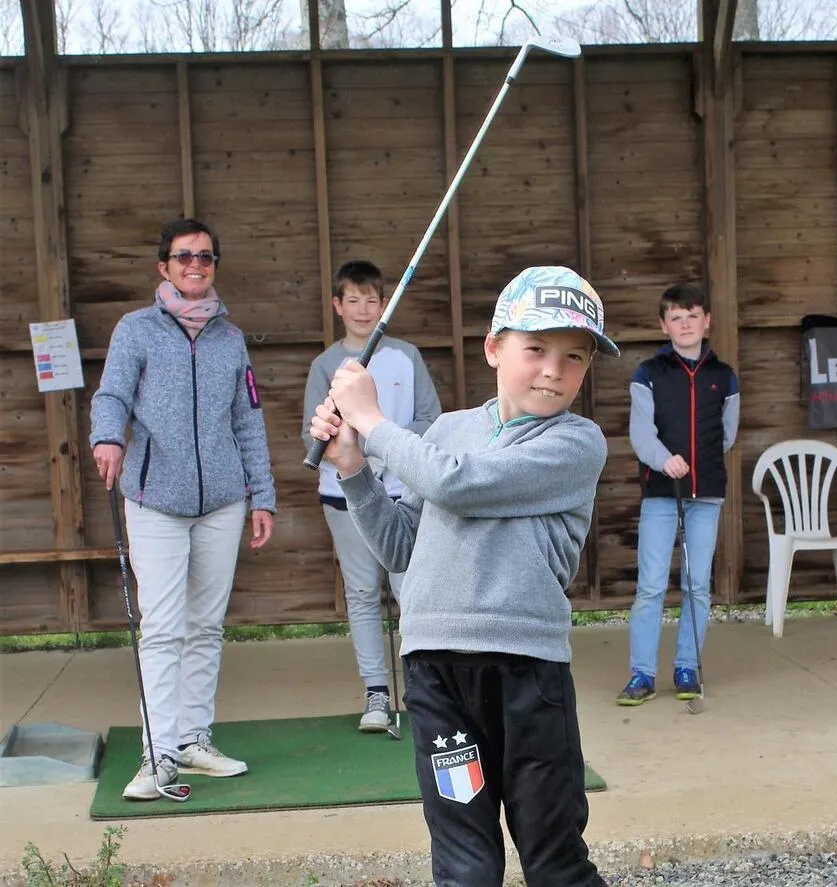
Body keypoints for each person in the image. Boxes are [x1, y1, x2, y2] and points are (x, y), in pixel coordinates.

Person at [309, 266, 617, 887]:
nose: (554, 371)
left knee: (553, 858)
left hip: (527, 675)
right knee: (464, 866)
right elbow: (400, 546)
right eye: (536, 349)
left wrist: (371, 422)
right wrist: (352, 470)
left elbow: (457, 483)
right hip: (437, 677)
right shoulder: (448, 432)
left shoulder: (576, 442)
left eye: (574, 357)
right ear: (494, 348)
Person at [90, 218, 276, 800]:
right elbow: (112, 394)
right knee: (164, 628)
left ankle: (193, 740)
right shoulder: (135, 330)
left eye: (206, 257)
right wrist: (107, 437)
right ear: (163, 267)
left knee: (206, 627)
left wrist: (261, 494)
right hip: (155, 502)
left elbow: (247, 417)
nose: (196, 265)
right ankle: (157, 753)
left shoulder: (231, 338)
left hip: (223, 501)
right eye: (184, 256)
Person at [301, 259, 441, 732]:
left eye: (372, 300)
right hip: (344, 495)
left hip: (405, 490)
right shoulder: (326, 365)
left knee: (410, 589)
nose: (363, 309)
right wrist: (352, 457)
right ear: (338, 306)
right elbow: (313, 437)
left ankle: (421, 689)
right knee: (362, 592)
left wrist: (385, 448)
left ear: (384, 304)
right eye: (353, 300)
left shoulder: (407, 356)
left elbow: (429, 420)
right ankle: (377, 694)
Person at [617, 281, 739, 706]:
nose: (685, 324)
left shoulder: (723, 377)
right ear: (663, 325)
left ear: (706, 321)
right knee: (650, 587)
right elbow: (640, 433)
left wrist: (698, 465)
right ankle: (642, 674)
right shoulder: (648, 374)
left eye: (692, 316)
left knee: (697, 585)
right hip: (660, 494)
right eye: (676, 318)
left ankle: (686, 666)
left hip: (705, 496)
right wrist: (663, 458)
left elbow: (726, 435)